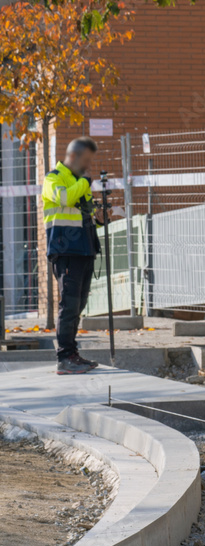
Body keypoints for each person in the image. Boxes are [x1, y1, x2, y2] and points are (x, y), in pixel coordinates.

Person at [43, 136, 106, 374]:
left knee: (78, 304)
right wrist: (85, 183)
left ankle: (72, 353)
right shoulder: (54, 178)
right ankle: (64, 358)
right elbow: (64, 199)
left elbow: (86, 216)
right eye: (86, 161)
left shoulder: (79, 183)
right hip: (65, 250)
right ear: (73, 157)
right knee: (68, 305)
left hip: (84, 249)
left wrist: (101, 219)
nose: (88, 166)